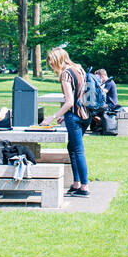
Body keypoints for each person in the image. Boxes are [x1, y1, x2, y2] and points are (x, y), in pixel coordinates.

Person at [42, 48, 92, 197]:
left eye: (52, 63)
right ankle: (76, 183)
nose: (52, 67)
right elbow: (81, 95)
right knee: (72, 147)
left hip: (74, 118)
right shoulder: (79, 68)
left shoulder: (65, 74)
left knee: (77, 150)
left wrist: (53, 117)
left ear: (58, 60)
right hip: (86, 115)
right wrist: (64, 115)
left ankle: (84, 186)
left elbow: (69, 101)